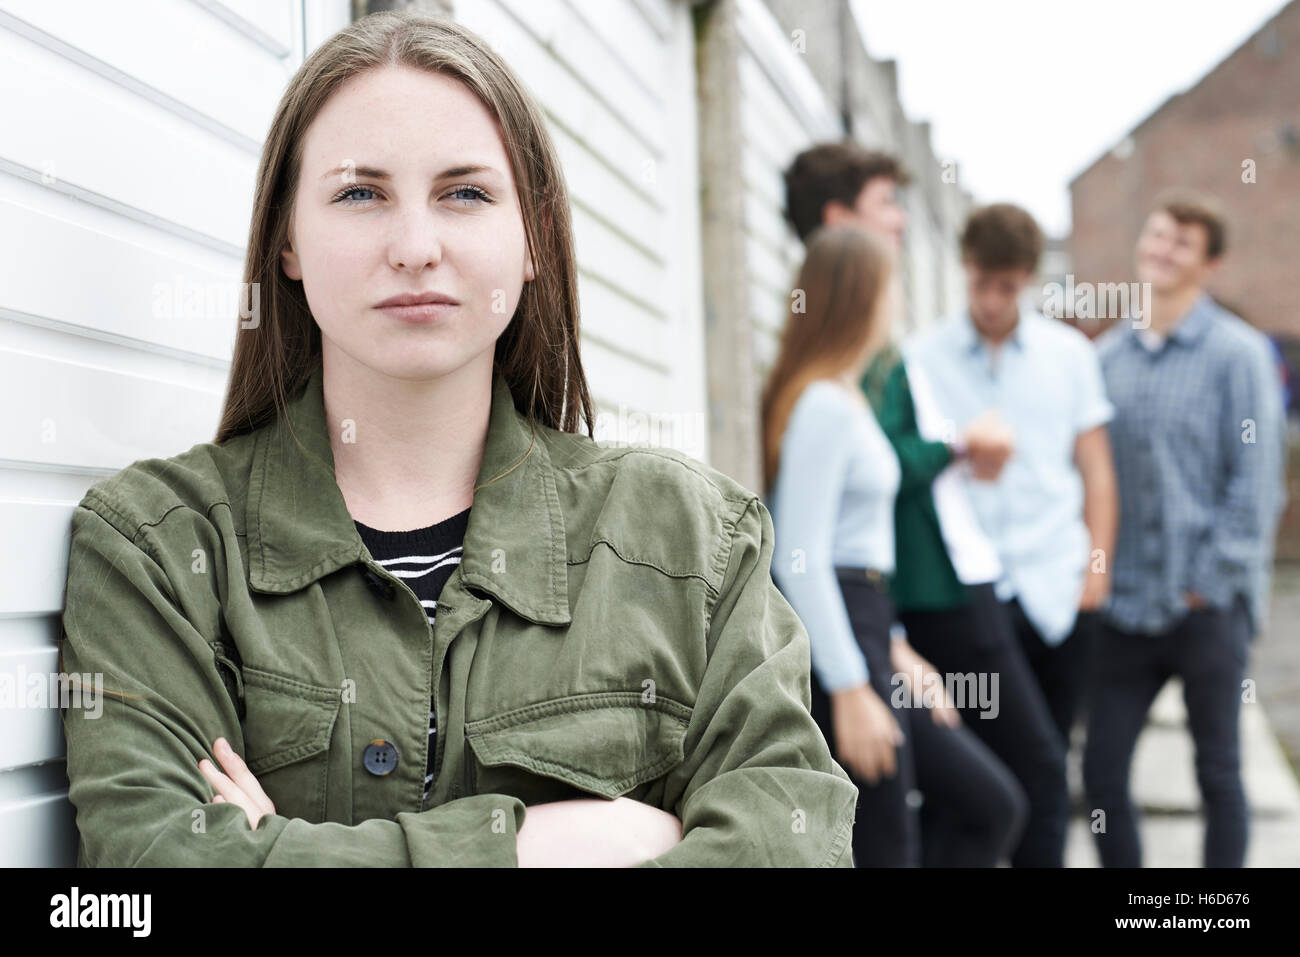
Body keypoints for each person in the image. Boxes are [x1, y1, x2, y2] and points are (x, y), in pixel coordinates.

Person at [56, 10, 857, 868]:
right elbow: (147, 875)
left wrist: (288, 851)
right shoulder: (158, 549)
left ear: (533, 241)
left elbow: (792, 843)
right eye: (360, 193)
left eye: (465, 193)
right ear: (287, 238)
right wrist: (537, 846)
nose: (414, 247)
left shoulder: (694, 540)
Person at [782, 142, 1033, 866]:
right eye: (890, 288)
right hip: (846, 638)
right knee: (888, 844)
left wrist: (895, 649)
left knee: (988, 805)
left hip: (871, 623)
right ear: (861, 298)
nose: (898, 305)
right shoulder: (825, 406)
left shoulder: (849, 399)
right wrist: (853, 684)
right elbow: (800, 556)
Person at [902, 202, 1120, 866]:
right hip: (969, 600)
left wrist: (1096, 571)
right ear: (964, 268)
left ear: (1027, 280)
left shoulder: (1069, 355)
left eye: (1007, 286)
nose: (993, 301)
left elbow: (1095, 468)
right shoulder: (920, 357)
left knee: (1048, 767)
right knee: (973, 778)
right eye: (981, 283)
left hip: (1058, 587)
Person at [1086, 188, 1288, 867]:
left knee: (1220, 775)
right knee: (1103, 775)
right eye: (1158, 233)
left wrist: (1207, 583)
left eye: (1183, 242)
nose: (1164, 249)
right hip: (1123, 608)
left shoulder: (1240, 355)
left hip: (1207, 608)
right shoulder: (1107, 357)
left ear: (1210, 265)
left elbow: (1256, 481)